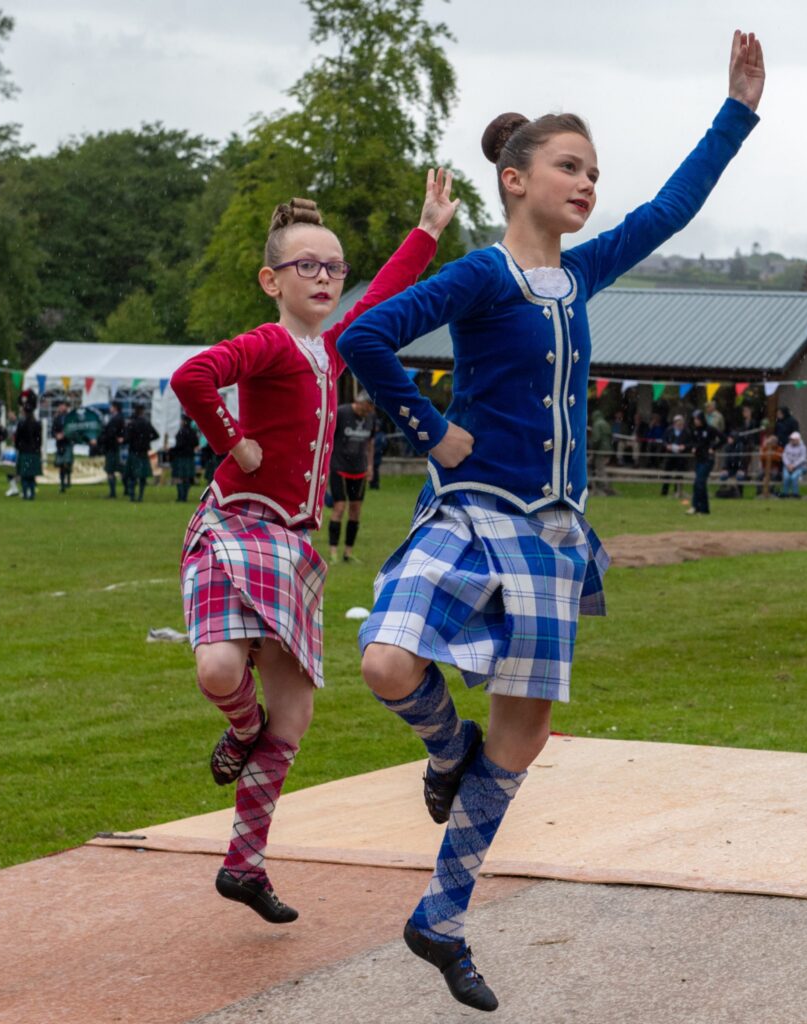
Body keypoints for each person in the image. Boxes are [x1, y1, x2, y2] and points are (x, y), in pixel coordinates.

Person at [335, 33, 763, 1012]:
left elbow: (672, 208)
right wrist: (433, 431)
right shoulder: (483, 275)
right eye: (570, 167)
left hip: (557, 532)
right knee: (387, 664)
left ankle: (439, 920)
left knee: (524, 739)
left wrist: (736, 112)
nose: (588, 185)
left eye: (594, 173)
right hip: (473, 506)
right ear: (515, 178)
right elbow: (366, 333)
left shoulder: (588, 270)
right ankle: (448, 751)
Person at [169, 177, 454, 928]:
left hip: (292, 545)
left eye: (333, 267)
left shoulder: (334, 344)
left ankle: (245, 865)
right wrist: (236, 443)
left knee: (291, 719)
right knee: (220, 670)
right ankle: (237, 732)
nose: (326, 278)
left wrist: (426, 229)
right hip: (236, 526)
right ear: (272, 280)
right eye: (308, 267)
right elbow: (191, 377)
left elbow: (385, 291)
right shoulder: (267, 343)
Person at [327, 391, 377, 562]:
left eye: (370, 409)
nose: (367, 412)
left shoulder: (371, 417)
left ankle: (348, 553)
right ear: (359, 401)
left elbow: (370, 443)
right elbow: (328, 438)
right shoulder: (341, 413)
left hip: (360, 470)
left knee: (355, 510)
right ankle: (333, 552)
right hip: (339, 468)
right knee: (339, 507)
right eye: (366, 407)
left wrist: (370, 465)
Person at [687, 407, 721, 514]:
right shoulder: (695, 431)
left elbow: (723, 438)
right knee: (698, 484)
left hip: (707, 459)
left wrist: (713, 447)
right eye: (694, 419)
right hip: (699, 459)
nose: (695, 421)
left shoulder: (710, 429)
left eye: (697, 419)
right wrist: (693, 447)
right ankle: (698, 507)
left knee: (700, 482)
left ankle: (701, 507)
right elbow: (692, 442)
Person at [124, 404, 159, 503]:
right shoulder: (146, 423)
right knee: (142, 477)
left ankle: (132, 496)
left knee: (132, 476)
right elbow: (156, 435)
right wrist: (146, 440)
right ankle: (140, 496)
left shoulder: (132, 423)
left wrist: (129, 440)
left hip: (134, 452)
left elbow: (127, 439)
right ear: (142, 412)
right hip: (143, 452)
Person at [14, 404, 42, 501]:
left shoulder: (21, 424)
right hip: (34, 452)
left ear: (24, 412)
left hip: (24, 451)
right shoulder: (37, 424)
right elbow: (39, 439)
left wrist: (18, 447)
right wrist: (37, 449)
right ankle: (32, 494)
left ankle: (25, 494)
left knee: (24, 475)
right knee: (31, 475)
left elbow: (17, 438)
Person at [170, 417, 199, 503]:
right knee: (187, 478)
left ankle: (180, 497)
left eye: (182, 420)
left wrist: (171, 450)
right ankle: (184, 497)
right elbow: (196, 443)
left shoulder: (181, 432)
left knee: (179, 478)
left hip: (181, 457)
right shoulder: (193, 432)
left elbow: (179, 445)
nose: (181, 422)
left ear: (184, 421)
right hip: (189, 457)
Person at [587, 407, 615, 496]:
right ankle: (602, 486)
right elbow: (610, 437)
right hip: (608, 450)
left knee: (600, 469)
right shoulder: (606, 424)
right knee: (601, 468)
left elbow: (597, 439)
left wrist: (593, 448)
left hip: (600, 450)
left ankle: (603, 488)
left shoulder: (597, 424)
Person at [660, 412, 689, 498]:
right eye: (677, 422)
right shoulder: (669, 430)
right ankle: (664, 491)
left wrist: (684, 446)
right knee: (667, 473)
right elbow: (664, 440)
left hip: (681, 456)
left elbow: (689, 443)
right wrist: (667, 445)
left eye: (681, 423)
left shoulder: (686, 431)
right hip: (670, 454)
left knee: (679, 474)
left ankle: (678, 491)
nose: (679, 424)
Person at [102, 399, 126, 499]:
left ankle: (113, 493)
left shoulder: (115, 419)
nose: (110, 408)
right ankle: (127, 490)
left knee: (111, 471)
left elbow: (110, 434)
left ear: (115, 407)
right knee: (121, 470)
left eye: (111, 406)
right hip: (116, 447)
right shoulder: (120, 417)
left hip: (112, 448)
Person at [51, 400, 75, 492]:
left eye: (63, 405)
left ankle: (68, 479)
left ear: (66, 407)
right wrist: (56, 435)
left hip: (68, 443)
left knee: (67, 463)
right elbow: (52, 431)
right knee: (61, 465)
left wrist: (65, 434)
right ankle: (62, 485)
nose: (61, 407)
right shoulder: (56, 418)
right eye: (60, 406)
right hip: (60, 444)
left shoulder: (71, 417)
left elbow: (73, 430)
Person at [780, 429, 807, 497]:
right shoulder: (787, 446)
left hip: (800, 467)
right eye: (791, 439)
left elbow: (802, 458)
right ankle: (785, 493)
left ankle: (796, 494)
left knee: (794, 477)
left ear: (798, 439)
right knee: (786, 477)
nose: (792, 441)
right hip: (787, 466)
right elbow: (784, 456)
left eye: (793, 439)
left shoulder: (803, 447)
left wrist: (794, 466)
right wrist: (788, 465)